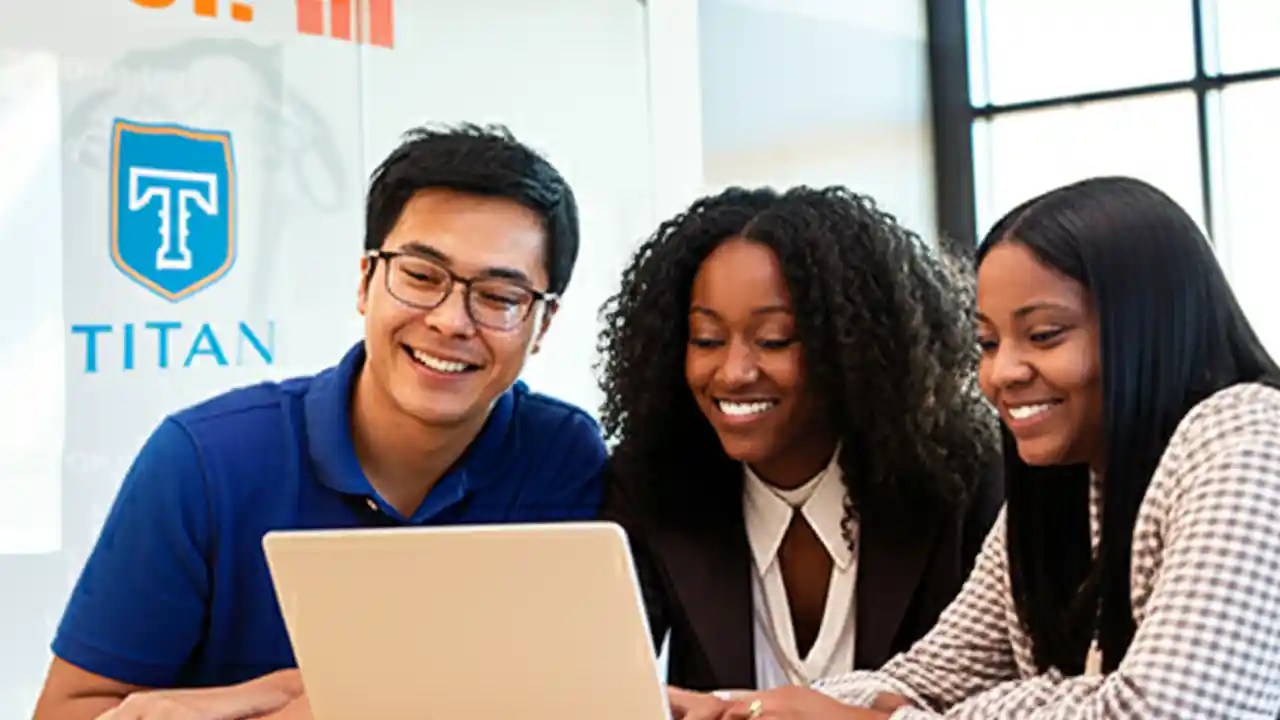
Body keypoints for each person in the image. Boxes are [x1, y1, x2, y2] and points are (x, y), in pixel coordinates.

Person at [33, 123, 608, 720]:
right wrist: (282, 699)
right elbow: (69, 710)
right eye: (420, 276)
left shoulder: (561, 458)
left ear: (542, 325)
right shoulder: (205, 461)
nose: (450, 321)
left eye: (498, 296)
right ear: (366, 281)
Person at [676, 176, 1280, 719]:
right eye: (988, 343)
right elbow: (933, 679)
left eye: (1044, 335)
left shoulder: (1246, 437)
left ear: (1147, 327)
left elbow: (1160, 713)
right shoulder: (1067, 471)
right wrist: (735, 710)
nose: (1003, 374)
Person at [598, 186, 1003, 694]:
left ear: (855, 348)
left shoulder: (965, 483)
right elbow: (599, 684)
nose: (733, 372)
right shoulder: (652, 486)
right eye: (707, 340)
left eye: (772, 340)